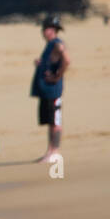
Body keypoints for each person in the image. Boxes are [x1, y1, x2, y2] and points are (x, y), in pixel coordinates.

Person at [30, 15, 69, 164]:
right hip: (46, 91)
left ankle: (55, 152)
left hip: (54, 91)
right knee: (50, 122)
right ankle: (50, 151)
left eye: (46, 28)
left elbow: (67, 59)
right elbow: (53, 60)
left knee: (56, 122)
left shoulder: (57, 43)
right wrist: (41, 63)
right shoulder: (50, 44)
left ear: (52, 30)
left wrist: (57, 75)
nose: (43, 31)